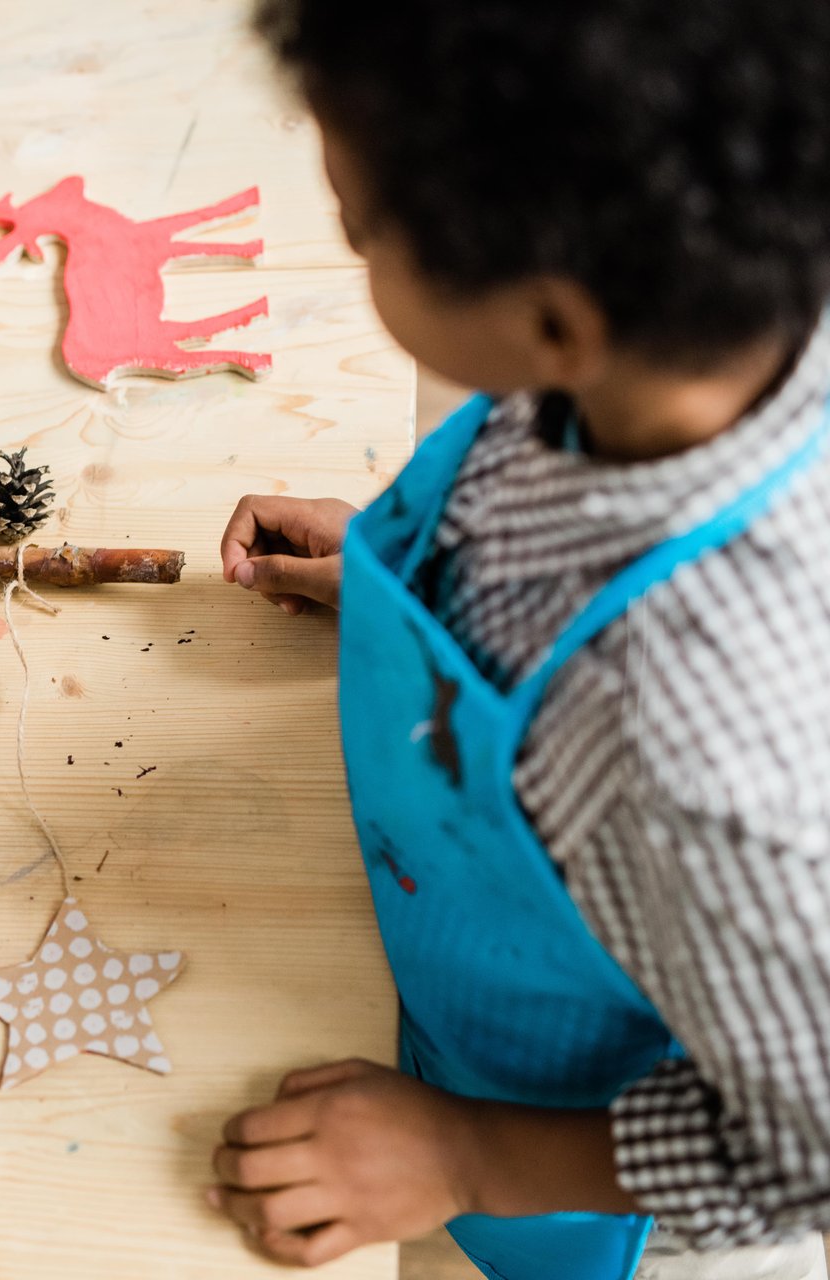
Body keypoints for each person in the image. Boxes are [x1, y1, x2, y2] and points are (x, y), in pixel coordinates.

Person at [205, 1, 830, 1278]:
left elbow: (804, 1148)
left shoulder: (702, 760)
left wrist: (461, 1154)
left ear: (552, 326)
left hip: (556, 1118)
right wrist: (429, 588)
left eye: (359, 230)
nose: (350, 243)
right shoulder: (714, 322)